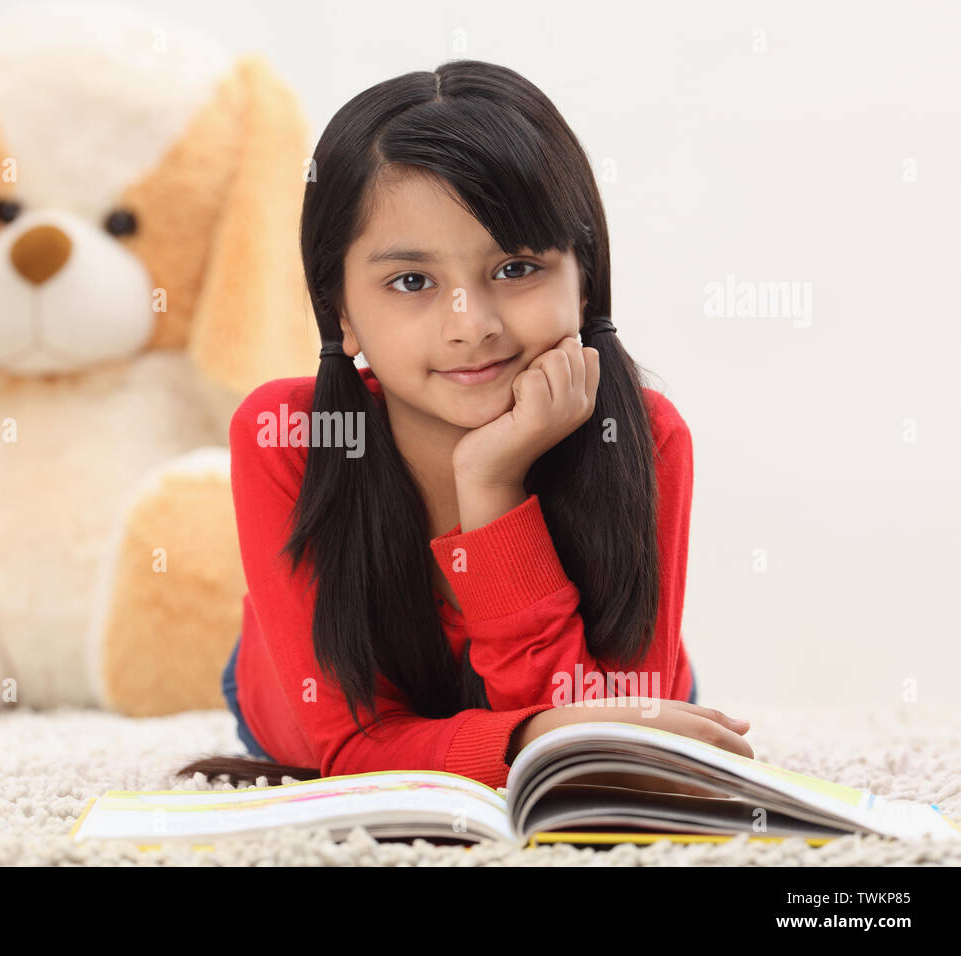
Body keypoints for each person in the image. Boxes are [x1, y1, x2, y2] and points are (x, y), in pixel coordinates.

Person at [177, 59, 750, 791]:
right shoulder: (286, 434)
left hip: (589, 685)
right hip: (297, 697)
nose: (471, 326)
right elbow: (354, 750)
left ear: (584, 279)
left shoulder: (647, 435)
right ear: (342, 311)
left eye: (515, 269)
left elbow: (601, 756)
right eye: (412, 282)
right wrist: (540, 733)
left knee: (648, 707)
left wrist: (491, 488)